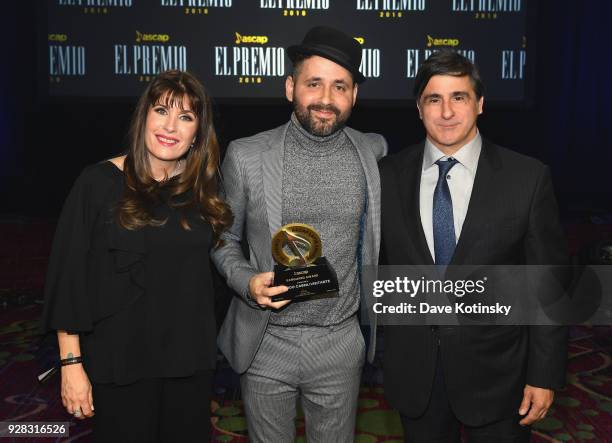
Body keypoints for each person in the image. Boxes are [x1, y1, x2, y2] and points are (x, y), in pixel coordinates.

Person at [379, 50, 568, 442]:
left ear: (480, 104)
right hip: (417, 376)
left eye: (459, 97)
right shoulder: (386, 177)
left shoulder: (527, 178)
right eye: (434, 99)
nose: (446, 111)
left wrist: (543, 374)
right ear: (419, 108)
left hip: (501, 379)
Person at [212, 26, 387, 443]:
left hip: (340, 344)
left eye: (339, 87)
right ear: (291, 87)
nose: (326, 99)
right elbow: (223, 240)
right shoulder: (247, 155)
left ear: (354, 95)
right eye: (314, 84)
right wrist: (246, 281)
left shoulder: (371, 151)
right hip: (266, 340)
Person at [42, 70, 232, 442]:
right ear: (144, 116)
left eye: (186, 117)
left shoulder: (204, 193)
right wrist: (71, 364)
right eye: (162, 110)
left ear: (198, 133)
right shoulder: (97, 183)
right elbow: (70, 279)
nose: (170, 126)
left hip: (188, 365)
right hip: (120, 362)